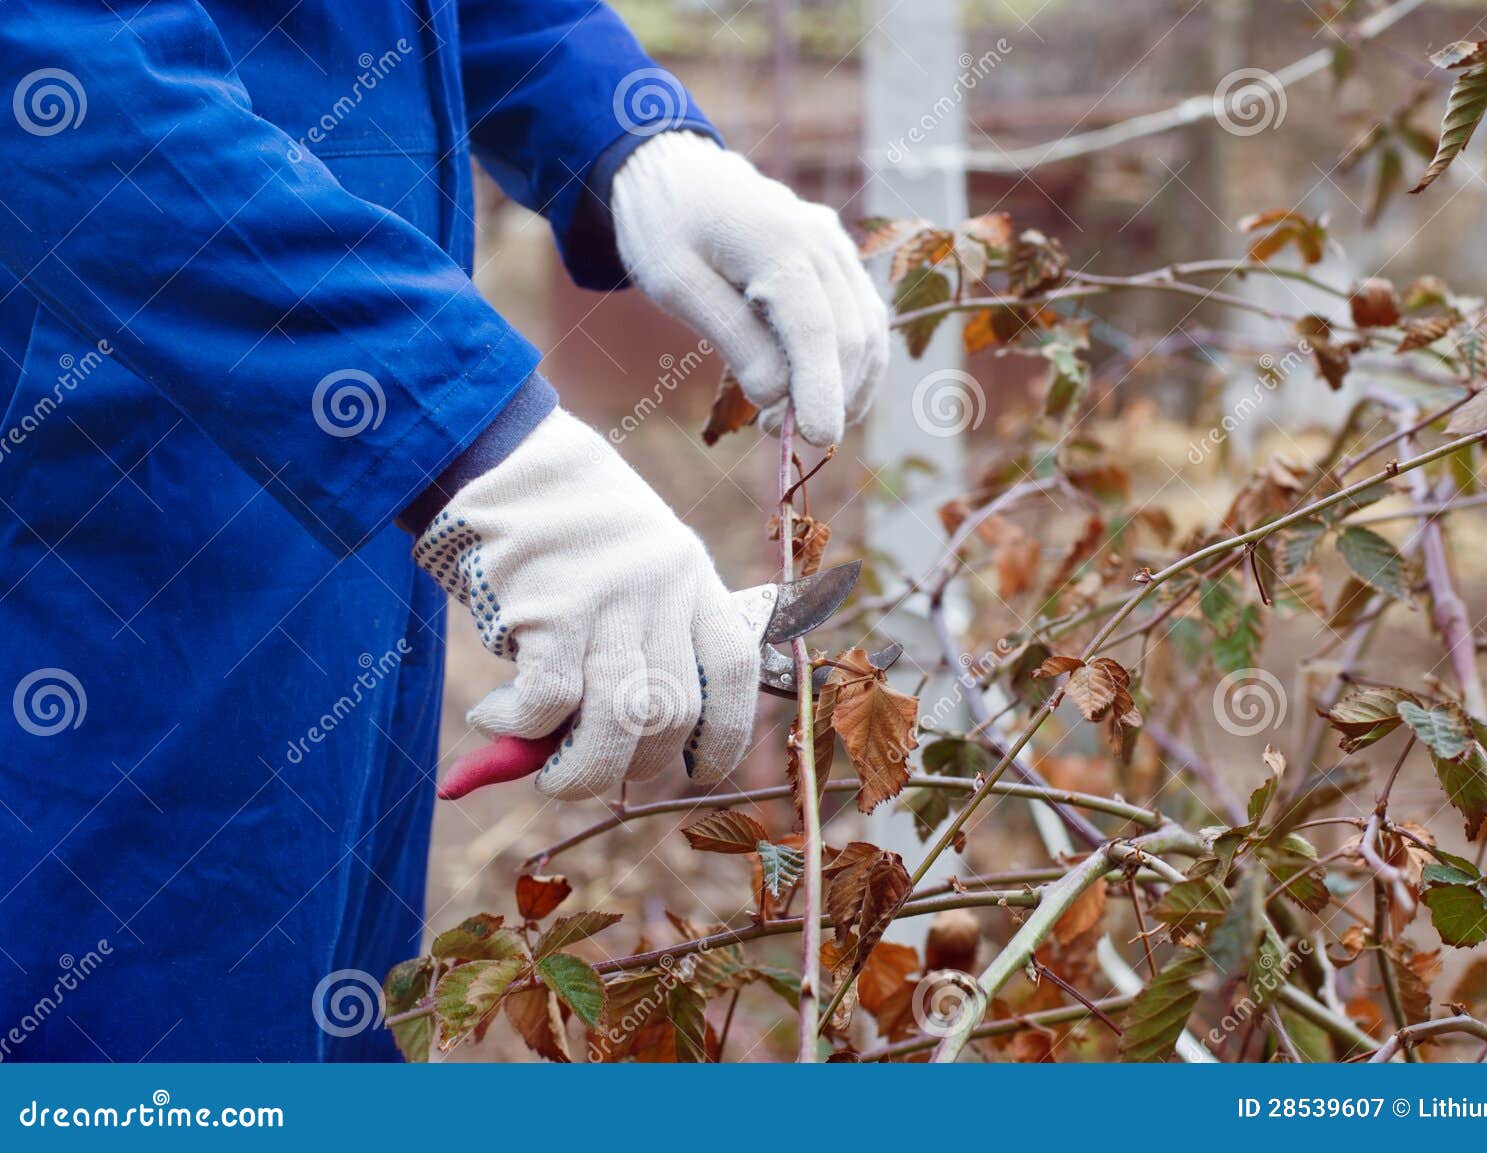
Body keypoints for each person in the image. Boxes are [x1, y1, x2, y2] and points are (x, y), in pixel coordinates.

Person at [0, 1, 886, 1061]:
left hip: (328, 498)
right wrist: (461, 427)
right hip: (100, 500)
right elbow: (52, 61)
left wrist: (624, 129)